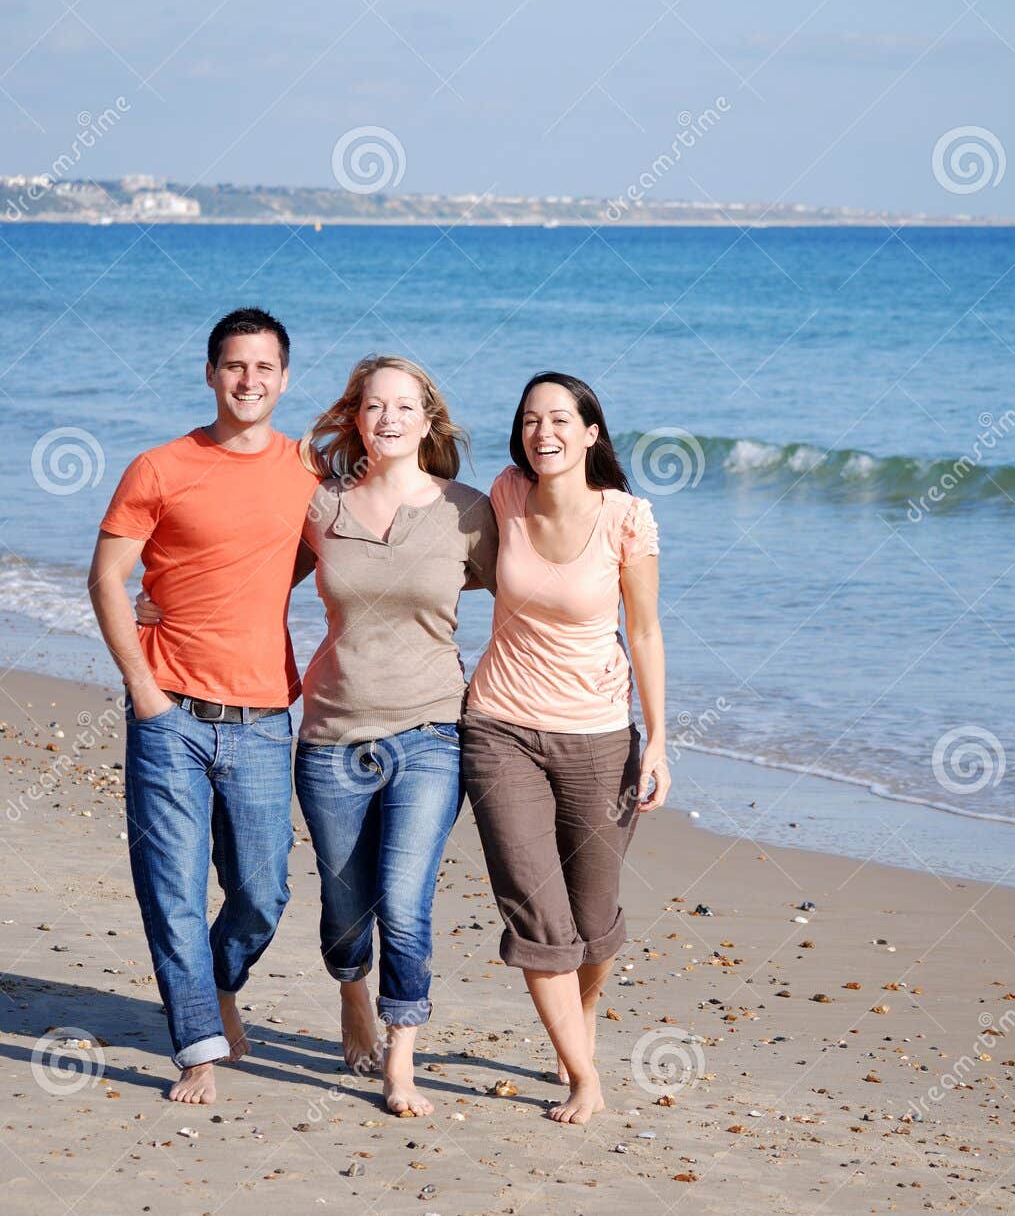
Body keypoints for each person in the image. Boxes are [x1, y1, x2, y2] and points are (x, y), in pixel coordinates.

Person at [87, 307, 318, 1105]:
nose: (247, 381)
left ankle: (219, 985)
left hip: (261, 716)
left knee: (263, 891)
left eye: (263, 368)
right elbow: (107, 578)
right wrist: (145, 694)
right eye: (233, 366)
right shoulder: (159, 466)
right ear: (211, 372)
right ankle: (196, 1045)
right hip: (169, 713)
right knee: (173, 891)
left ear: (284, 380)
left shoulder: (310, 470)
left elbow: (336, 558)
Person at [461, 372, 669, 1126]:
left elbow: (643, 631)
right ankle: (584, 1075)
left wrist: (658, 743)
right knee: (537, 914)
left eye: (557, 419)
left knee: (592, 917)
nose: (540, 432)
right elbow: (444, 560)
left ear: (590, 433)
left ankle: (574, 1028)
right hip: (499, 727)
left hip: (600, 734)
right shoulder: (505, 496)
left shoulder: (626, 518)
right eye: (527, 420)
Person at [293, 356, 497, 1117]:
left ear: (428, 420)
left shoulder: (466, 511)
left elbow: (526, 600)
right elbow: (245, 572)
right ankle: (353, 999)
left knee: (404, 900)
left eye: (403, 407)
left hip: (430, 732)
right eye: (373, 406)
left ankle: (400, 1059)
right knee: (345, 906)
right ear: (355, 418)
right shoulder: (319, 507)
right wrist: (160, 602)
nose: (388, 419)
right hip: (331, 732)